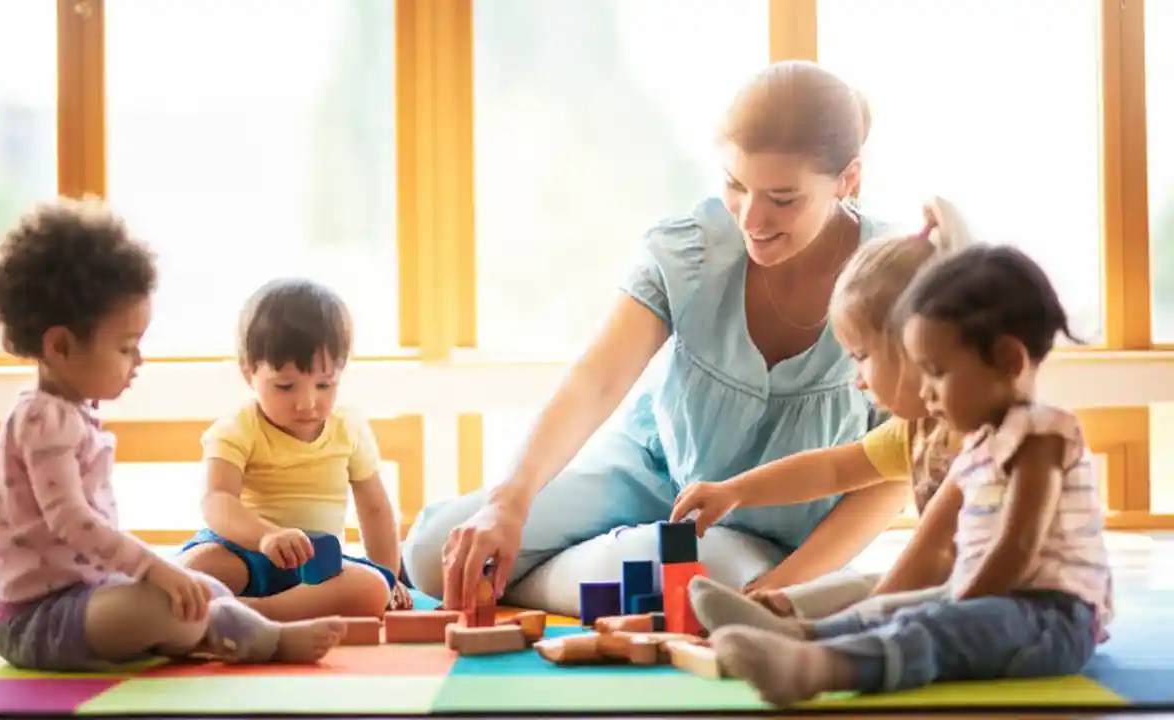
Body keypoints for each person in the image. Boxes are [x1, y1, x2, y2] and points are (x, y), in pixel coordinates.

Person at [403, 60, 919, 617]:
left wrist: (787, 583)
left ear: (848, 179)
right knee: (441, 552)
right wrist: (509, 503)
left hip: (780, 536)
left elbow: (892, 470)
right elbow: (597, 381)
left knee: (709, 581)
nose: (752, 217)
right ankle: (608, 581)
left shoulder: (896, 278)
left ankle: (602, 577)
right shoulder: (692, 249)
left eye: (783, 197)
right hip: (652, 475)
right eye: (735, 184)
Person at [710, 244, 1113, 706]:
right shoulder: (977, 448)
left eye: (936, 374)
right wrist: (934, 600)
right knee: (894, 605)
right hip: (990, 598)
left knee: (926, 628)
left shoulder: (1043, 435)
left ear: (1007, 361)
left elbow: (1018, 545)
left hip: (1053, 619)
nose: (926, 392)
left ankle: (818, 667)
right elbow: (933, 546)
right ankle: (799, 634)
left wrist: (957, 604)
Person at [0, 199, 345, 672]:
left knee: (202, 592)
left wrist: (157, 575)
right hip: (37, 619)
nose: (139, 361)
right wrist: (153, 568)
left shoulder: (69, 414)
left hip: (85, 596)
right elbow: (72, 521)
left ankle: (256, 635)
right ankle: (257, 639)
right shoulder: (43, 419)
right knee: (173, 605)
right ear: (62, 345)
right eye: (126, 347)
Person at [675, 197, 973, 627]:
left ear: (916, 348)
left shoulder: (980, 442)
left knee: (879, 604)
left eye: (862, 356)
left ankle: (810, 644)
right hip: (952, 587)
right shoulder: (917, 432)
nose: (859, 380)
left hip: (1010, 603)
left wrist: (866, 613)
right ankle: (772, 613)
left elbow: (930, 553)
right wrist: (735, 491)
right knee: (852, 590)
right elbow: (833, 470)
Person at [177, 278, 412, 622]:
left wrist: (389, 577)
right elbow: (217, 501)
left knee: (371, 587)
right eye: (285, 386)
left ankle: (255, 613)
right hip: (247, 553)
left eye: (325, 384)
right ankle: (239, 609)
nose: (307, 403)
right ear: (249, 374)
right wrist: (266, 536)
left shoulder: (349, 427)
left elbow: (375, 508)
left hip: (318, 567)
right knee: (194, 567)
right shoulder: (238, 426)